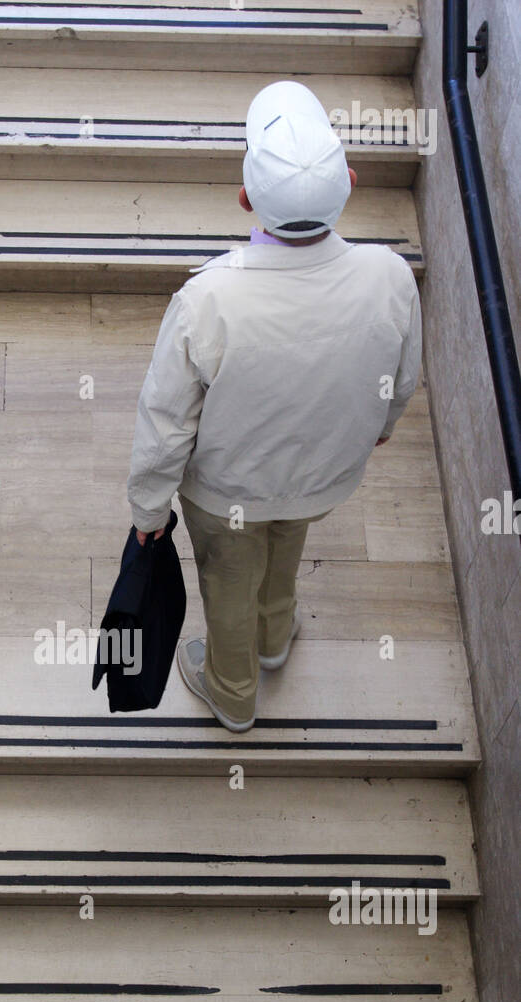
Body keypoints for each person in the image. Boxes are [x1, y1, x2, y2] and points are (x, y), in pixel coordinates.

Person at [127, 81, 423, 733]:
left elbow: (165, 423)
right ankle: (275, 636)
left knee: (227, 583)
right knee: (288, 542)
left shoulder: (207, 300)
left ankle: (234, 691)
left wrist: (149, 505)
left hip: (225, 491)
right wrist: (382, 427)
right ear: (349, 180)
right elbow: (402, 380)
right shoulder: (391, 277)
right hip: (323, 478)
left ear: (244, 200)